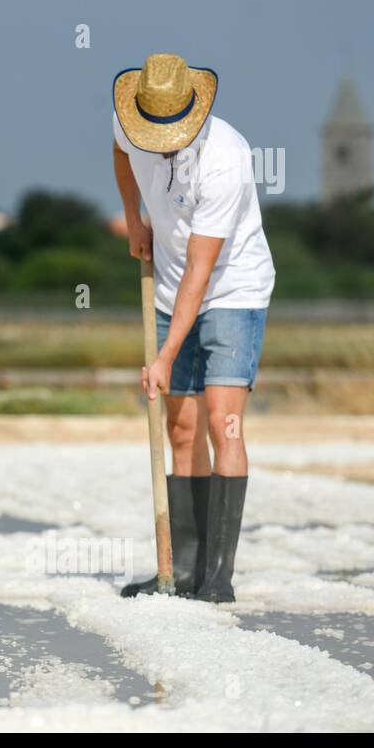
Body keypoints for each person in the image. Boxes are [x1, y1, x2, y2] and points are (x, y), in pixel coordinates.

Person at [111, 53, 275, 602]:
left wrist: (163, 354)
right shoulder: (128, 119)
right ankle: (181, 572)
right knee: (181, 428)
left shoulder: (227, 160)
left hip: (232, 289)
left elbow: (202, 276)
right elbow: (118, 151)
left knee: (222, 423)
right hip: (167, 285)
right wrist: (135, 217)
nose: (157, 142)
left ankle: (218, 578)